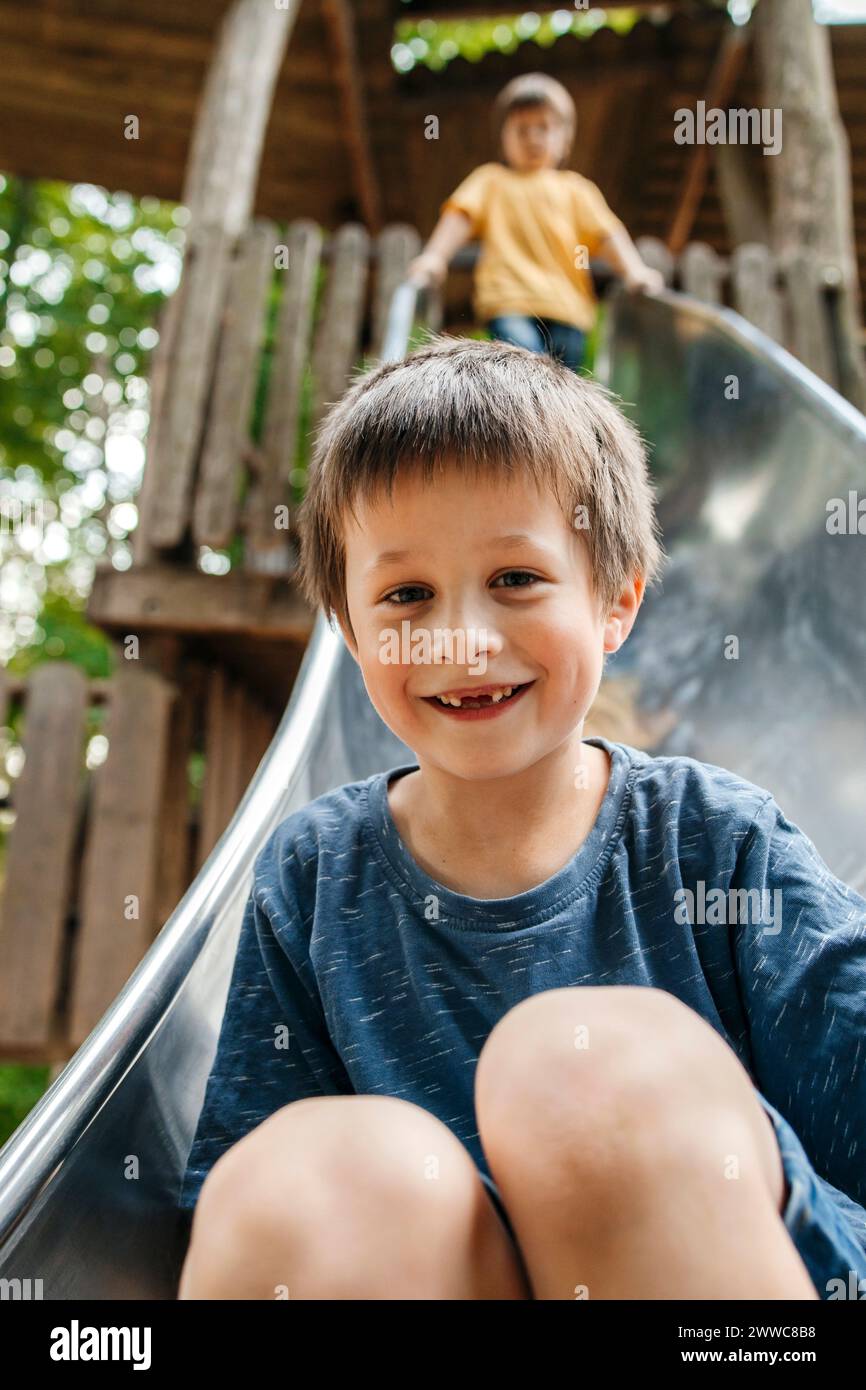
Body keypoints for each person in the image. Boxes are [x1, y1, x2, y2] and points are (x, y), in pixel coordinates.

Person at [176, 336, 866, 1301]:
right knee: (322, 1172)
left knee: (579, 1074)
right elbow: (252, 1206)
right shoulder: (317, 874)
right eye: (407, 594)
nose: (463, 639)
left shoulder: (713, 840)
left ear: (616, 603)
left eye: (515, 579)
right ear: (349, 632)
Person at [408, 72, 665, 373]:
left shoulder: (577, 189)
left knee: (563, 387)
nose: (532, 138)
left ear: (565, 140)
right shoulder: (490, 181)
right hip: (510, 302)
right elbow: (460, 217)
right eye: (521, 129)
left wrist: (633, 270)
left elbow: (607, 234)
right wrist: (435, 257)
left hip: (568, 311)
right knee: (528, 370)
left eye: (543, 128)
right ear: (503, 139)